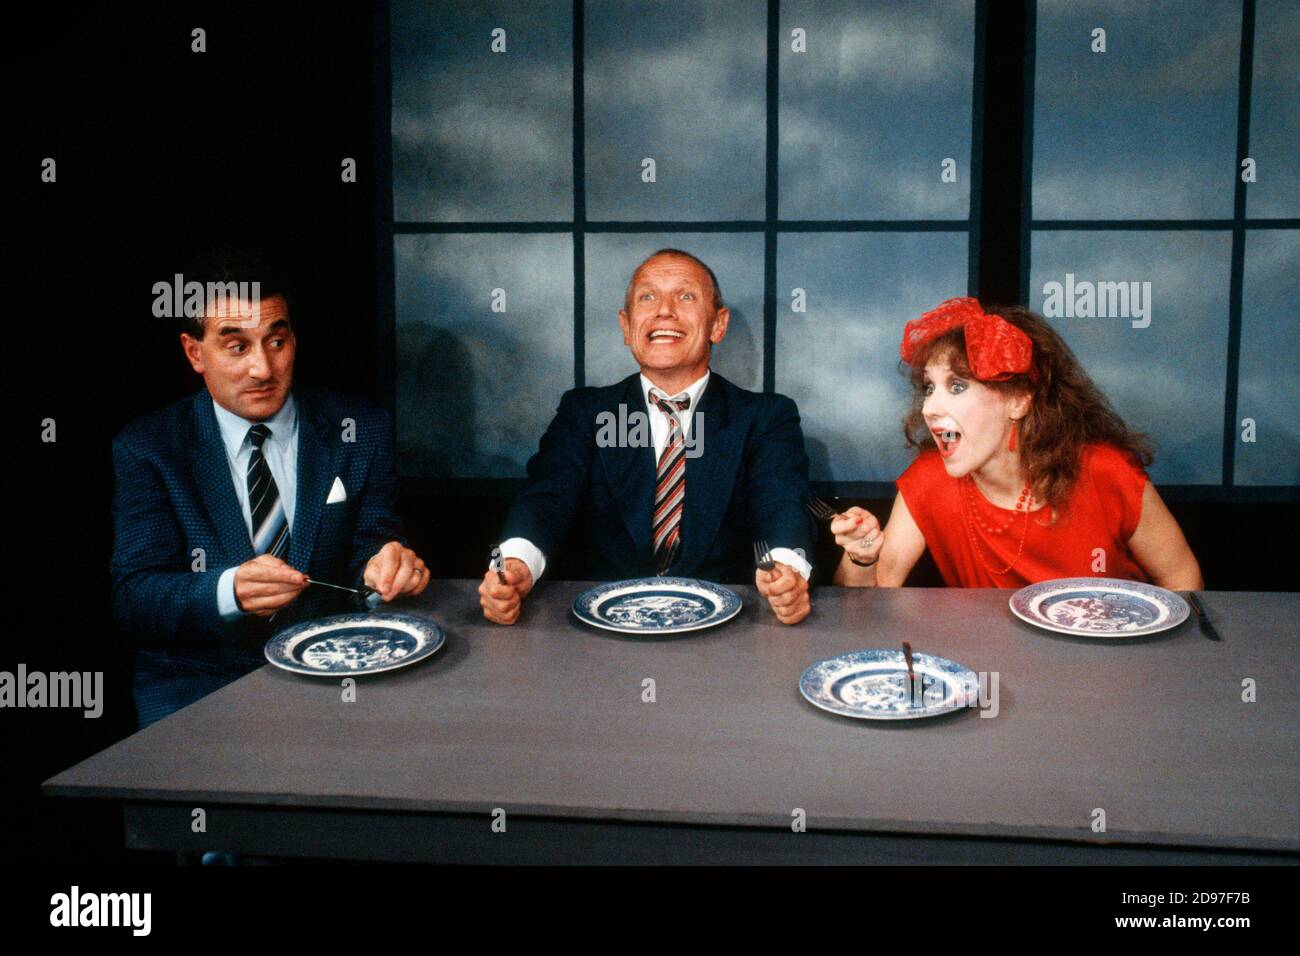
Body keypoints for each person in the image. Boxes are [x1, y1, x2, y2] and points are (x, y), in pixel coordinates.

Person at [111, 253, 429, 726]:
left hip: (335, 676)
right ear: (195, 353)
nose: (263, 368)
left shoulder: (359, 429)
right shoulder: (150, 448)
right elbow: (135, 596)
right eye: (237, 347)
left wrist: (386, 568)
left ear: (293, 341)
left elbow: (371, 544)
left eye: (275, 342)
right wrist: (227, 591)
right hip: (197, 688)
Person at [479, 249, 816, 625]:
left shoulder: (765, 418)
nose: (665, 311)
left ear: (718, 325)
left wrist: (787, 572)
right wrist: (515, 564)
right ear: (626, 327)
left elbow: (781, 504)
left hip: (726, 631)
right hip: (600, 632)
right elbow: (546, 498)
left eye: (686, 296)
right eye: (648, 297)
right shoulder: (587, 412)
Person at [832, 297, 1203, 590]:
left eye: (957, 386)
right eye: (929, 388)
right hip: (995, 676)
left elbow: (1183, 580)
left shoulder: (1106, 471)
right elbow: (871, 601)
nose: (929, 407)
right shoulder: (928, 481)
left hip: (1105, 671)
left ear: (1019, 399)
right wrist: (862, 556)